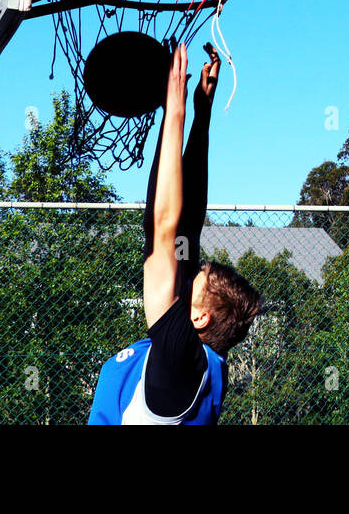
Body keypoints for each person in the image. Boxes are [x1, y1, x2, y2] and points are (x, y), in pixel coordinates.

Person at [89, 43, 261, 424]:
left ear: (199, 319)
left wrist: (175, 111)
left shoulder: (179, 361)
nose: (193, 268)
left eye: (199, 277)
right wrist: (202, 111)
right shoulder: (203, 362)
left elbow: (163, 227)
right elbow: (186, 223)